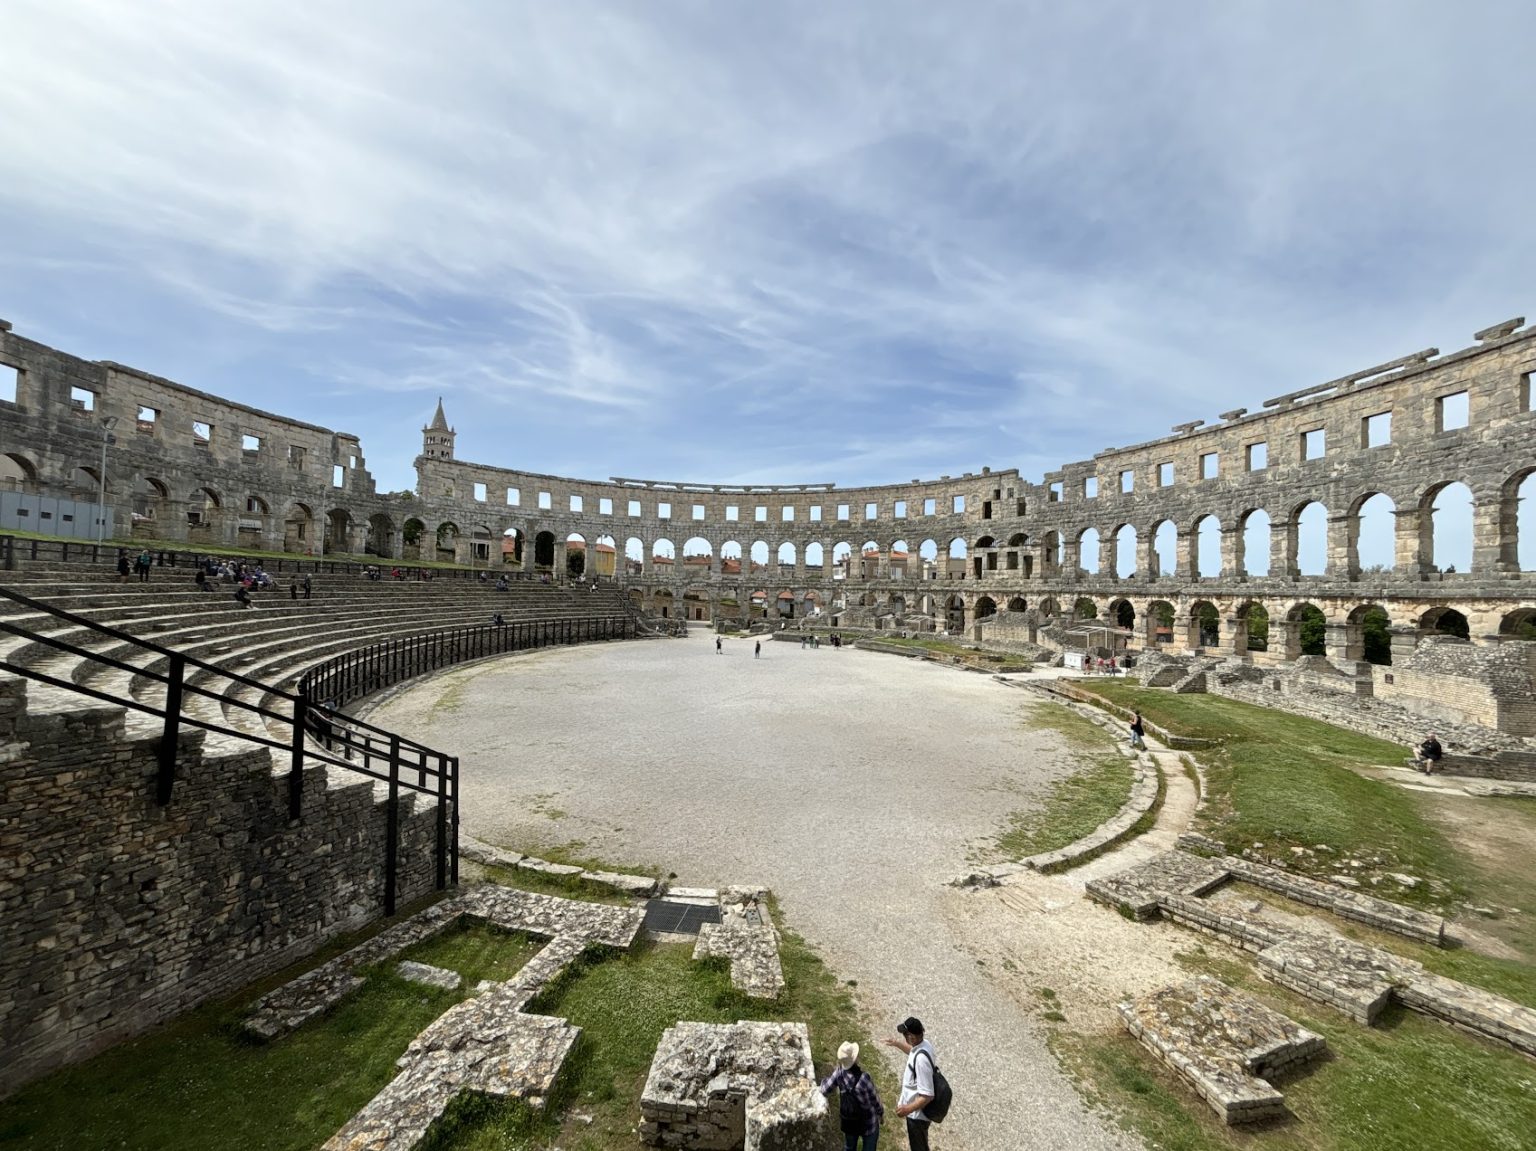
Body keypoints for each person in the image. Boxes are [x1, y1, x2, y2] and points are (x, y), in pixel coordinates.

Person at [819, 1040, 883, 1151]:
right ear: (855, 1059)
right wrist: (881, 1113)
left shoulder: (839, 1073)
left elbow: (824, 1090)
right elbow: (875, 1100)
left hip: (849, 1122)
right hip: (868, 1122)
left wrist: (824, 1081)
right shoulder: (864, 1078)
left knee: (849, 1147)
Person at [884, 1017, 936, 1150]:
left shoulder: (921, 1061)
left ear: (912, 1037)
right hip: (916, 1114)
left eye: (906, 1035)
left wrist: (907, 1109)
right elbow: (912, 1052)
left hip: (917, 1116)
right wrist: (897, 1043)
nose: (904, 1037)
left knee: (919, 1147)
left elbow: (927, 1095)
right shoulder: (924, 1045)